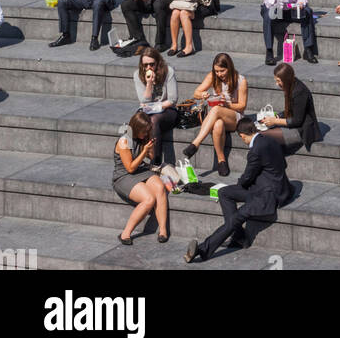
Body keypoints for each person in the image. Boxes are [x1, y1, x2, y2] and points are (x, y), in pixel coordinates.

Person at [184, 116, 291, 262]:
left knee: (236, 217)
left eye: (242, 139)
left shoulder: (255, 150)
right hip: (271, 186)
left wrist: (239, 187)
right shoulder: (270, 139)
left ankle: (203, 250)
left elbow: (247, 177)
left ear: (242, 135)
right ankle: (240, 238)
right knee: (224, 192)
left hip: (268, 196)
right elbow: (282, 165)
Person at [182, 53, 250, 176]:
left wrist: (227, 104)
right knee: (218, 124)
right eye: (217, 71)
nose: (219, 74)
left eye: (222, 71)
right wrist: (202, 95)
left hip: (235, 116)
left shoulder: (241, 80)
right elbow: (196, 92)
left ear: (229, 67)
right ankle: (221, 161)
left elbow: (242, 106)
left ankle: (196, 143)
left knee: (216, 109)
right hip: (217, 116)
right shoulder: (212, 76)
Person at [113, 111, 170, 245]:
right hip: (124, 176)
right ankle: (126, 233)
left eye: (147, 131)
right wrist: (144, 151)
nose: (145, 133)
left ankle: (163, 230)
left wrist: (149, 145)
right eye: (144, 131)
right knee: (149, 199)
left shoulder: (142, 137)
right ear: (136, 128)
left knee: (160, 188)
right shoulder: (124, 141)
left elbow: (152, 158)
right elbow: (130, 168)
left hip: (141, 170)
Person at [259, 61, 320, 152]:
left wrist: (275, 121)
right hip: (294, 124)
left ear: (286, 79)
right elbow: (292, 109)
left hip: (302, 130)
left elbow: (296, 121)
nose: (277, 84)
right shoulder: (292, 86)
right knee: (259, 136)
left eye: (278, 81)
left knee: (262, 137)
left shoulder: (299, 92)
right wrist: (276, 116)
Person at [133, 46, 178, 164]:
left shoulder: (168, 71)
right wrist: (148, 84)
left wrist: (157, 107)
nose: (148, 67)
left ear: (158, 62)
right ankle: (135, 157)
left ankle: (156, 161)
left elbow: (173, 99)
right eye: (145, 65)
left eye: (151, 64)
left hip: (168, 110)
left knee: (153, 120)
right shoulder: (138, 75)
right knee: (137, 120)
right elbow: (143, 100)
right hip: (148, 109)